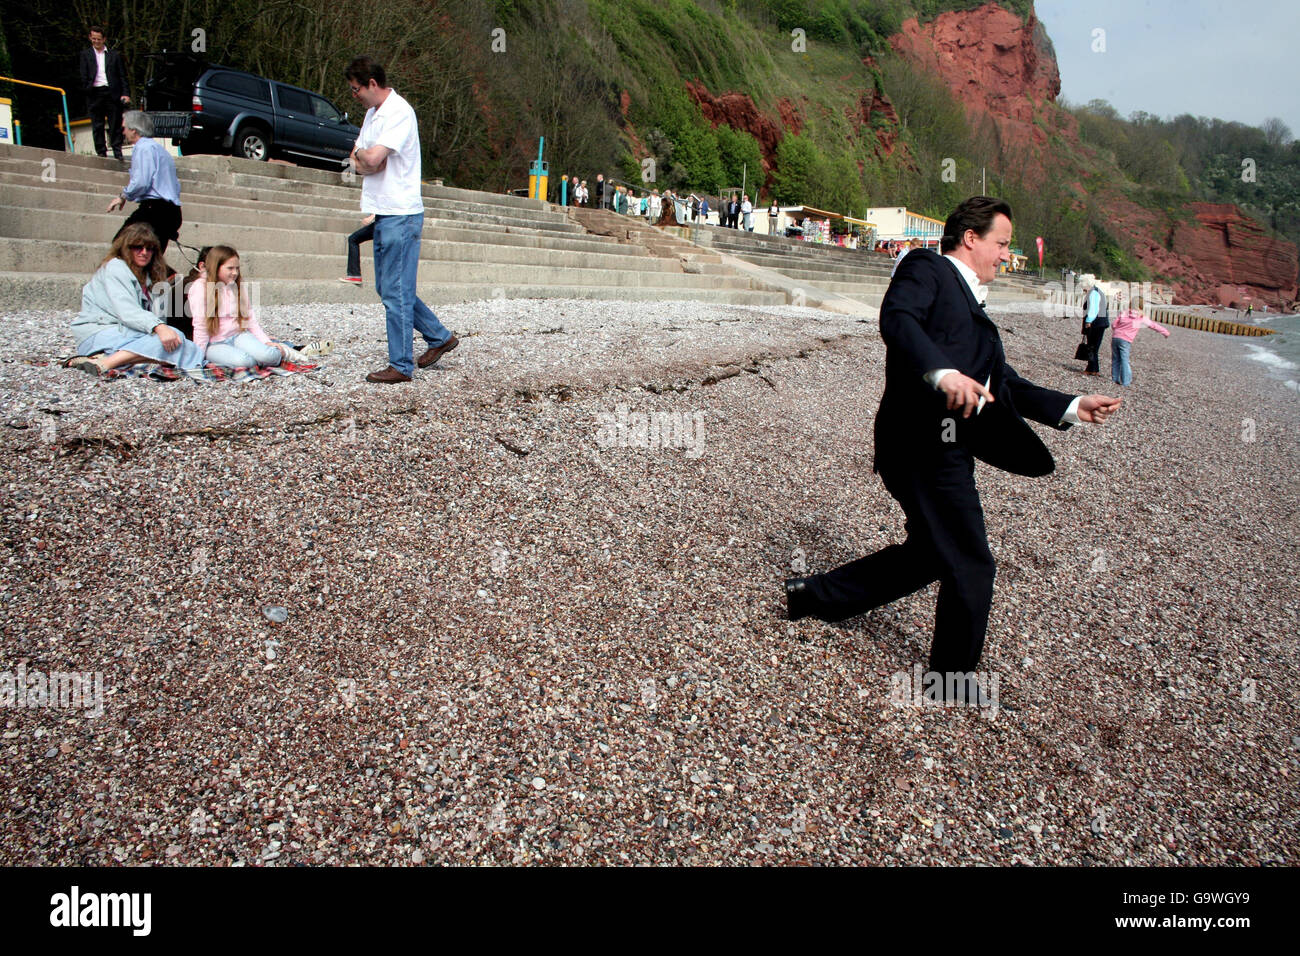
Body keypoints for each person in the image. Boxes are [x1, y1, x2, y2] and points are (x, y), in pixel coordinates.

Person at [784, 196, 1122, 708]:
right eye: (1002, 244)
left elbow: (1002, 385)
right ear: (970, 237)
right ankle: (952, 682)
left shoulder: (975, 312)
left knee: (930, 554)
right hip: (921, 445)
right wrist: (940, 374)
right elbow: (898, 322)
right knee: (971, 561)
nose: (1006, 256)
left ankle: (813, 597)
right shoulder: (928, 268)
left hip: (947, 450)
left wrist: (1073, 404)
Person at [346, 55, 458, 384]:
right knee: (389, 287)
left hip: (402, 213)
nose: (354, 96)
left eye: (356, 90)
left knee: (395, 291)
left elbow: (373, 160)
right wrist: (363, 158)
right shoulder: (372, 114)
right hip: (385, 211)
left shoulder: (399, 112)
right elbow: (357, 158)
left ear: (372, 83)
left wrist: (364, 158)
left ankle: (401, 365)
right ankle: (439, 336)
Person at [68, 223, 204, 375]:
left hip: (130, 333)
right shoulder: (115, 268)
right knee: (175, 339)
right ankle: (105, 363)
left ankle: (115, 359)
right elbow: (127, 312)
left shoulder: (150, 275)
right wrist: (159, 328)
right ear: (126, 248)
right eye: (137, 247)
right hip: (101, 331)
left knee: (184, 346)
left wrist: (163, 331)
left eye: (149, 248)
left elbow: (159, 316)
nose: (144, 252)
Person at [187, 246, 290, 368]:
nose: (235, 272)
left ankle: (285, 351)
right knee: (245, 362)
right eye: (230, 268)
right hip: (214, 343)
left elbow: (250, 319)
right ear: (216, 267)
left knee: (269, 356)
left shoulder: (237, 285)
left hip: (238, 335)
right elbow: (200, 326)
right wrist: (198, 359)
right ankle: (245, 358)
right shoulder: (200, 288)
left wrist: (265, 341)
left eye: (237, 268)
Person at [106, 111, 182, 257]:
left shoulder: (143, 148)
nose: (123, 132)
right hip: (171, 210)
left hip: (155, 210)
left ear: (134, 130)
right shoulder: (160, 150)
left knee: (120, 247)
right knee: (150, 258)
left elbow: (141, 182)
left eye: (125, 128)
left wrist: (123, 196)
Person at [79, 25, 131, 160]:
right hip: (94, 93)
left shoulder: (114, 56)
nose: (96, 41)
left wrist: (125, 93)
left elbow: (122, 76)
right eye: (93, 38)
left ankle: (117, 150)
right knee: (97, 124)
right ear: (90, 38)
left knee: (115, 123)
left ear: (104, 39)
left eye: (99, 39)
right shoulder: (85, 55)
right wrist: (87, 89)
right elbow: (83, 75)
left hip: (111, 93)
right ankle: (101, 151)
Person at [1110, 295, 1170, 386]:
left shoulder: (1124, 313)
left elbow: (1114, 325)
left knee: (1115, 359)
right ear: (1142, 305)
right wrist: (1165, 332)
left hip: (1115, 337)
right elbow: (1153, 326)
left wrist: (1118, 329)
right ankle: (1126, 382)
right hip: (1126, 340)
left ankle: (1114, 379)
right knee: (1124, 360)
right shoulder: (1140, 317)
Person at [1080, 275, 1109, 376]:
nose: (1082, 289)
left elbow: (1093, 309)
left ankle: (1091, 369)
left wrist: (1088, 321)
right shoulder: (1097, 291)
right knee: (1094, 347)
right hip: (1101, 322)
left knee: (1092, 346)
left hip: (1096, 323)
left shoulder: (1093, 293)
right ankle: (1094, 369)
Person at [340, 214, 376, 285]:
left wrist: (372, 217)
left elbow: (385, 203)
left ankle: (354, 275)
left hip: (385, 222)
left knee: (353, 239)